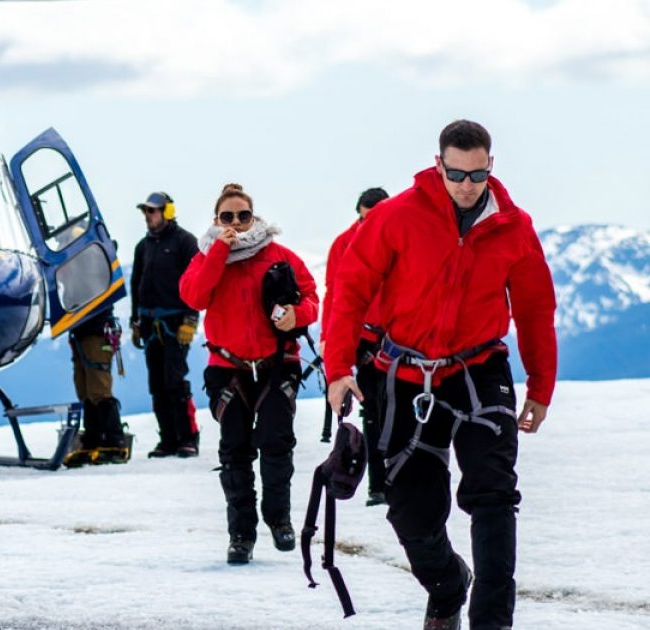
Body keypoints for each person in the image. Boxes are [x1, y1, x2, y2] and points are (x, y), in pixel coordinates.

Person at [324, 120, 556, 630]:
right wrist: (338, 367)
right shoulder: (394, 217)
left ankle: (492, 622)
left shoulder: (513, 225)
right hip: (406, 374)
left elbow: (536, 308)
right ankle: (448, 585)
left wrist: (541, 385)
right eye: (456, 173)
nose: (467, 184)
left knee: (494, 495)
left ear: (490, 166)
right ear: (439, 165)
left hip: (479, 369)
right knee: (410, 509)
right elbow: (350, 291)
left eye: (476, 174)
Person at [179, 183, 318, 564]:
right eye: (228, 217)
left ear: (254, 217)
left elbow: (311, 298)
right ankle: (241, 535)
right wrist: (220, 249)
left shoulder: (279, 254)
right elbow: (194, 296)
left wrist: (298, 315)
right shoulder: (206, 256)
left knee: (276, 444)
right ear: (216, 220)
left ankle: (279, 520)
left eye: (243, 216)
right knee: (235, 452)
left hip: (278, 362)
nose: (237, 223)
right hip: (229, 368)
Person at [320, 186, 390, 507]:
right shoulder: (343, 244)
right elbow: (334, 295)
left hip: (397, 336)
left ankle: (393, 480)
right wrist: (329, 337)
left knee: (397, 408)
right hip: (366, 338)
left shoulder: (399, 239)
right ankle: (379, 483)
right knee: (373, 409)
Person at [129, 191, 201, 458]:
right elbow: (136, 285)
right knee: (157, 385)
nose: (148, 216)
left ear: (167, 212)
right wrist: (135, 321)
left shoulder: (185, 242)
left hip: (176, 323)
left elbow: (197, 282)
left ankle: (188, 438)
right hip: (149, 325)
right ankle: (168, 439)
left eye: (152, 211)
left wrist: (191, 320)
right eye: (146, 211)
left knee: (174, 381)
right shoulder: (143, 246)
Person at [63, 306, 129, 466]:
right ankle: (93, 441)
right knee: (85, 391)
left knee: (99, 390)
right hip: (81, 331)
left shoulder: (92, 281)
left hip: (97, 331)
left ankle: (114, 443)